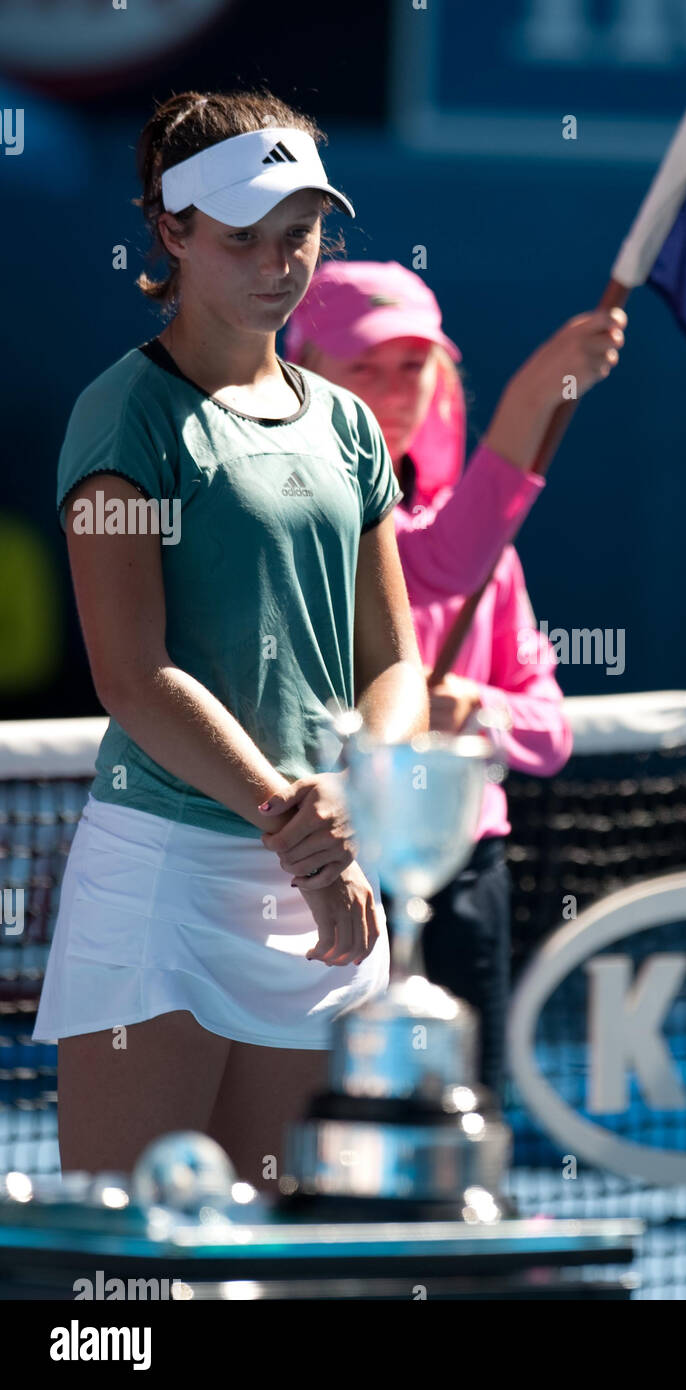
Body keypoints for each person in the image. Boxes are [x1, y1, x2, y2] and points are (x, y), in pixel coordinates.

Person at [32, 90, 429, 1194]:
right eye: (242, 237)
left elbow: (392, 661)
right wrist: (307, 835)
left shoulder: (346, 422)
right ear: (172, 232)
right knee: (130, 1271)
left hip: (322, 874)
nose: (276, 262)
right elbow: (135, 675)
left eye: (297, 233)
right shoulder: (124, 416)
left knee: (289, 1253)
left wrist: (360, 788)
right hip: (169, 881)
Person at [284, 261, 626, 1102]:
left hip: (468, 870)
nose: (393, 390)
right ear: (303, 372)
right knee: (315, 1125)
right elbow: (437, 561)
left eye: (413, 365)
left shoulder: (485, 557)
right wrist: (535, 396)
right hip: (313, 867)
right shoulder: (296, 523)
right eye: (363, 364)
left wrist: (477, 710)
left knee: (463, 1113)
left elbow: (549, 733)